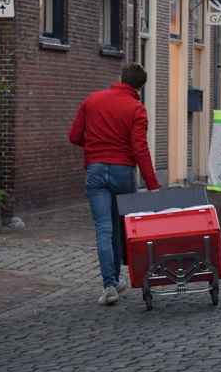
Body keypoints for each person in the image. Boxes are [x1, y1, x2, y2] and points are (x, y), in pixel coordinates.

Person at [68, 63, 161, 306]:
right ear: (139, 87)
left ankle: (110, 285)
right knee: (123, 227)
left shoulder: (92, 100)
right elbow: (140, 148)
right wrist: (152, 184)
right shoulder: (137, 109)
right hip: (122, 172)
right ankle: (122, 277)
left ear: (119, 77)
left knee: (104, 228)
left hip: (96, 170)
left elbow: (74, 136)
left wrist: (95, 148)